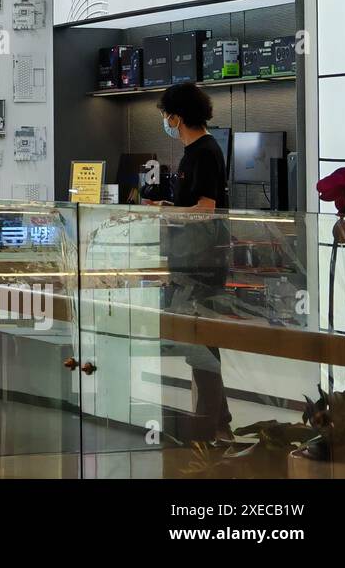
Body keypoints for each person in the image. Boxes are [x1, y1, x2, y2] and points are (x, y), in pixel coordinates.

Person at [147, 82, 233, 443]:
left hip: (202, 264)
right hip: (188, 260)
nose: (166, 122)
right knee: (201, 342)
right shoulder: (193, 152)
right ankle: (218, 422)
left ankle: (212, 422)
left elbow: (205, 211)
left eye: (167, 116)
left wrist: (170, 215)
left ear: (177, 117)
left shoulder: (205, 152)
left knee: (198, 344)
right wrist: (167, 209)